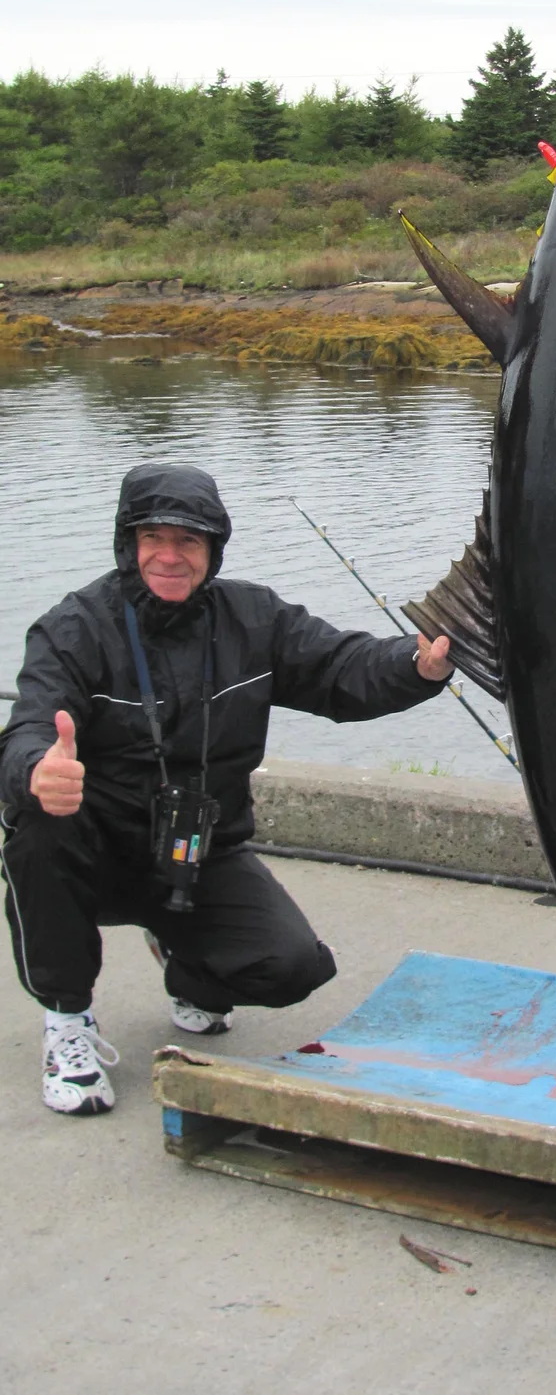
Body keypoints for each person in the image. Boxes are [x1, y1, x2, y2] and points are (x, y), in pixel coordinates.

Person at [0, 461, 452, 1117]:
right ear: (128, 543)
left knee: (295, 966)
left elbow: (341, 667)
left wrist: (416, 665)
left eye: (189, 540)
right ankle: (67, 1020)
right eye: (154, 537)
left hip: (196, 852)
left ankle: (186, 967)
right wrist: (39, 767)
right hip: (92, 853)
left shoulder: (254, 618)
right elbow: (28, 727)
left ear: (213, 548)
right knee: (36, 823)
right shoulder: (73, 628)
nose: (170, 556)